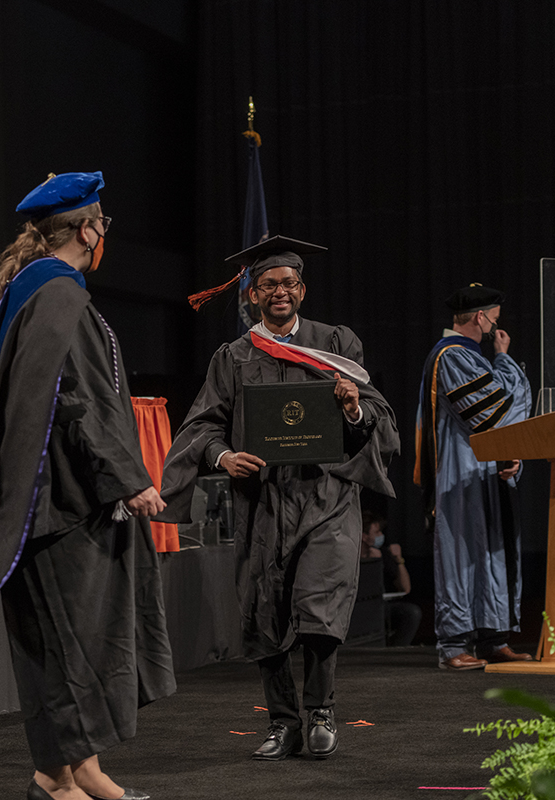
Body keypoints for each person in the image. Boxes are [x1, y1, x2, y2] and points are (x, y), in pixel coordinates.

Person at [0, 172, 176, 800]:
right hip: (61, 503)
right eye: (105, 225)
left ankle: (84, 768)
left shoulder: (29, 288)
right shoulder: (58, 294)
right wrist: (128, 480)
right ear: (87, 230)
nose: (106, 236)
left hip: (51, 496)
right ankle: (53, 779)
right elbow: (78, 404)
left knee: (69, 642)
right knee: (68, 646)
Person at [159, 236, 399, 761]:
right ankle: (282, 722)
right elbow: (201, 425)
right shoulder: (235, 357)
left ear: (302, 290)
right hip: (262, 502)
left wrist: (355, 409)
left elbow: (379, 422)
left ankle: (320, 712)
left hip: (326, 497)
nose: (279, 292)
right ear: (251, 295)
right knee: (264, 613)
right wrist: (223, 458)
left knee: (318, 606)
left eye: (288, 283)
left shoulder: (336, 344)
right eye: (267, 284)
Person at [415, 284, 531, 671]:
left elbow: (496, 425)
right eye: (493, 320)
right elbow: (497, 411)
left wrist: (509, 457)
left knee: (490, 552)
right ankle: (453, 645)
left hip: (483, 469)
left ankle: (492, 637)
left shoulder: (470, 357)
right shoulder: (450, 357)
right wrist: (505, 359)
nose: (494, 328)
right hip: (458, 472)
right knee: (460, 555)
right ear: (480, 317)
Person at [360, 511, 421, 647]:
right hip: (357, 607)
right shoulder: (350, 555)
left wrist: (398, 560)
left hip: (380, 605)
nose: (380, 536)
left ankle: (396, 650)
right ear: (364, 536)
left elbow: (405, 588)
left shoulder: (382, 554)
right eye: (376, 533)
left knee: (411, 612)